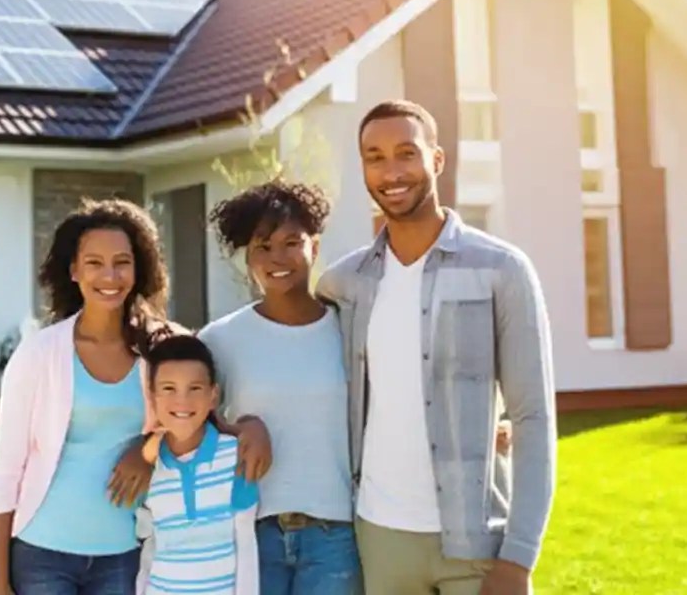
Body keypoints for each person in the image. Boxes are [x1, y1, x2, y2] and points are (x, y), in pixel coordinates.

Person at [315, 99, 557, 595]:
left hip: (476, 542)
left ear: (437, 160)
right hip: (380, 537)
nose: (391, 172)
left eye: (407, 153)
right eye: (374, 156)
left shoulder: (502, 271)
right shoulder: (343, 283)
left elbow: (533, 416)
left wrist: (519, 558)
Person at [0, 198, 175, 595]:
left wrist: (147, 449)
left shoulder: (163, 346)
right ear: (73, 270)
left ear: (139, 268)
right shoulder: (39, 353)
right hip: (42, 553)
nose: (110, 274)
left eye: (122, 261)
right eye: (94, 262)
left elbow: (196, 418)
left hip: (125, 553)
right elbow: (6, 470)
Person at [198, 179, 363, 595]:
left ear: (315, 247)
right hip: (253, 531)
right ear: (247, 256)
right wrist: (242, 429)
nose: (278, 258)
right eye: (262, 246)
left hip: (336, 535)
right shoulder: (220, 340)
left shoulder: (348, 329)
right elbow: (192, 426)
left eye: (292, 242)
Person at [134, 335, 259, 595]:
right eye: (169, 388)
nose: (182, 401)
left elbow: (246, 544)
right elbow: (149, 548)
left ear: (213, 395)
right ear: (152, 395)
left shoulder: (235, 456)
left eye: (195, 388)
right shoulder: (148, 466)